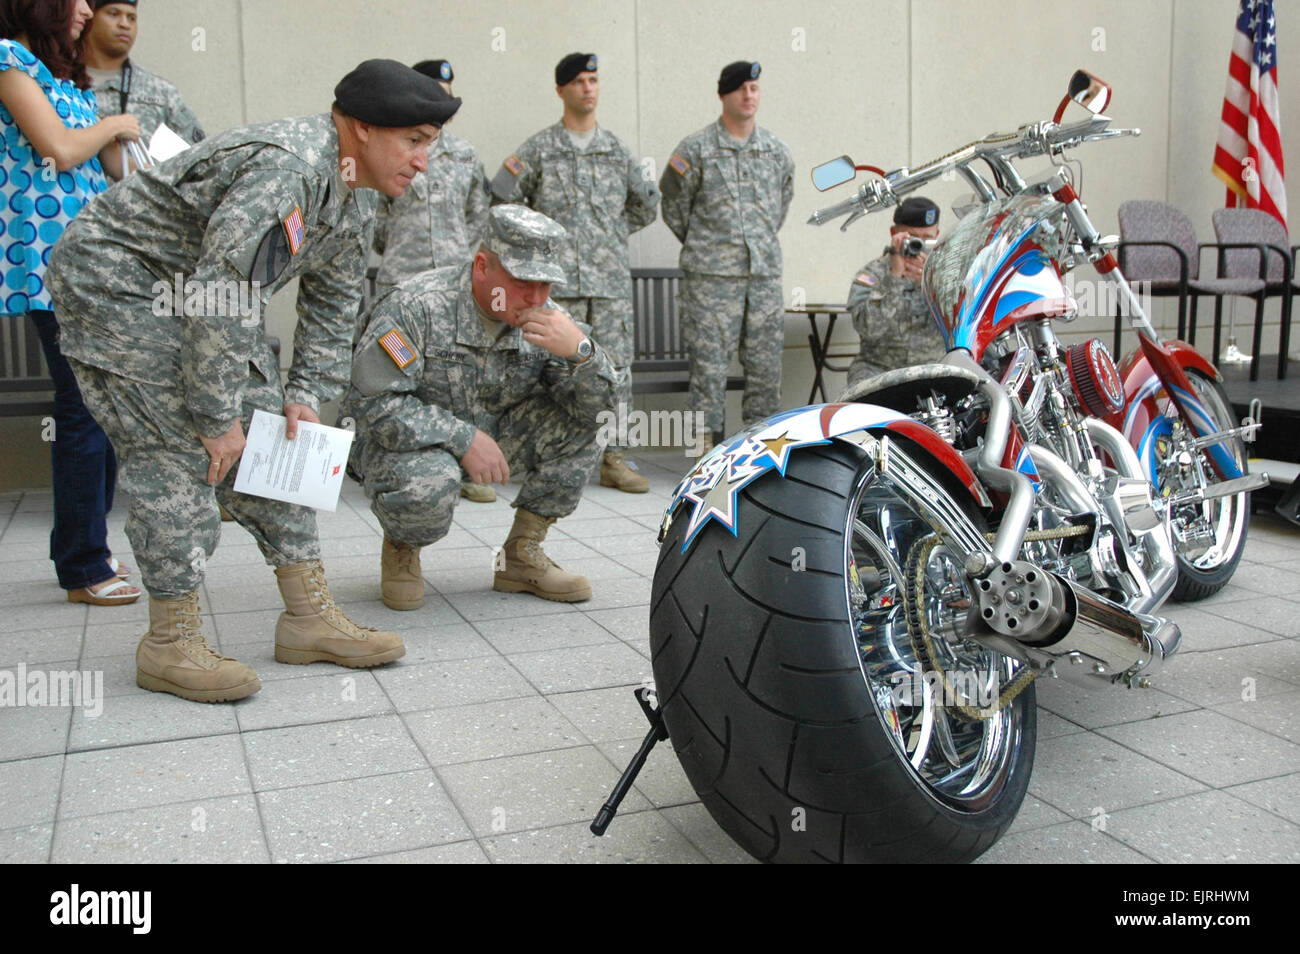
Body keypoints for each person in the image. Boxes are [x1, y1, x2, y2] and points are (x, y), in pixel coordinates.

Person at [47, 59, 461, 703]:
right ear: (359, 128)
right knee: (179, 443)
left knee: (277, 438)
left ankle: (307, 617)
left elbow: (332, 301)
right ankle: (169, 643)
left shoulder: (355, 191)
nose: (423, 160)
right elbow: (222, 293)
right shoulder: (290, 170)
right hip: (118, 283)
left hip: (199, 295)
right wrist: (215, 420)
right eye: (413, 140)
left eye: (430, 143)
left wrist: (302, 395)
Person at [341, 205, 618, 610]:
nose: (537, 299)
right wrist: (463, 438)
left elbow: (602, 412)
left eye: (547, 285)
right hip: (408, 445)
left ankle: (521, 555)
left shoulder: (552, 320)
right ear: (482, 266)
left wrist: (582, 354)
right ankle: (402, 546)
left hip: (496, 431)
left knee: (588, 424)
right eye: (524, 282)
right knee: (428, 483)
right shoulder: (417, 305)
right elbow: (374, 405)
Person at [0, 0, 143, 607]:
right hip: (50, 267)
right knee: (83, 406)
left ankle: (89, 550)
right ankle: (83, 562)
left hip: (91, 267)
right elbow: (58, 148)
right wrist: (114, 125)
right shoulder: (8, 60)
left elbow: (106, 167)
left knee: (98, 405)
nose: (85, 9)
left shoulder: (60, 75)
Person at [491, 52, 659, 494]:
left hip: (608, 285)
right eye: (580, 81)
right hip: (554, 283)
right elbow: (502, 201)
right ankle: (547, 453)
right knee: (546, 366)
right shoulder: (539, 149)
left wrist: (607, 234)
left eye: (594, 79)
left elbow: (646, 204)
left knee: (615, 369)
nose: (588, 87)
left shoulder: (617, 150)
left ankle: (614, 457)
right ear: (561, 89)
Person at [371, 57, 492, 502]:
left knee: (455, 377)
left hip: (454, 286)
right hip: (402, 280)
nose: (442, 98)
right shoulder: (393, 148)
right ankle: (401, 470)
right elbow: (377, 221)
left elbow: (478, 216)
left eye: (448, 90)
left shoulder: (465, 155)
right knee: (401, 377)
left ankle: (462, 467)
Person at [659, 60, 794, 453]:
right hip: (710, 280)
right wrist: (710, 246)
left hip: (763, 277)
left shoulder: (776, 152)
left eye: (754, 88)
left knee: (766, 372)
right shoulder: (695, 149)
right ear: (723, 95)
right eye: (741, 89)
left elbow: (780, 205)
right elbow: (673, 207)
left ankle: (762, 457)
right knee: (708, 373)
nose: (749, 95)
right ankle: (702, 458)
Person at [843, 196, 945, 388]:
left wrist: (933, 283)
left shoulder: (947, 274)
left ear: (937, 235)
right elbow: (869, 329)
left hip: (933, 370)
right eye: (913, 238)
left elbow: (963, 323)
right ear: (894, 233)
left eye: (927, 240)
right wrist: (894, 278)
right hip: (880, 370)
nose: (919, 246)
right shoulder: (872, 274)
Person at [80, 0, 204, 146]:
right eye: (114, 14)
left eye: (131, 18)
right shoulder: (61, 82)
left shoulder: (160, 92)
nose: (125, 24)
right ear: (90, 18)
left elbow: (198, 156)